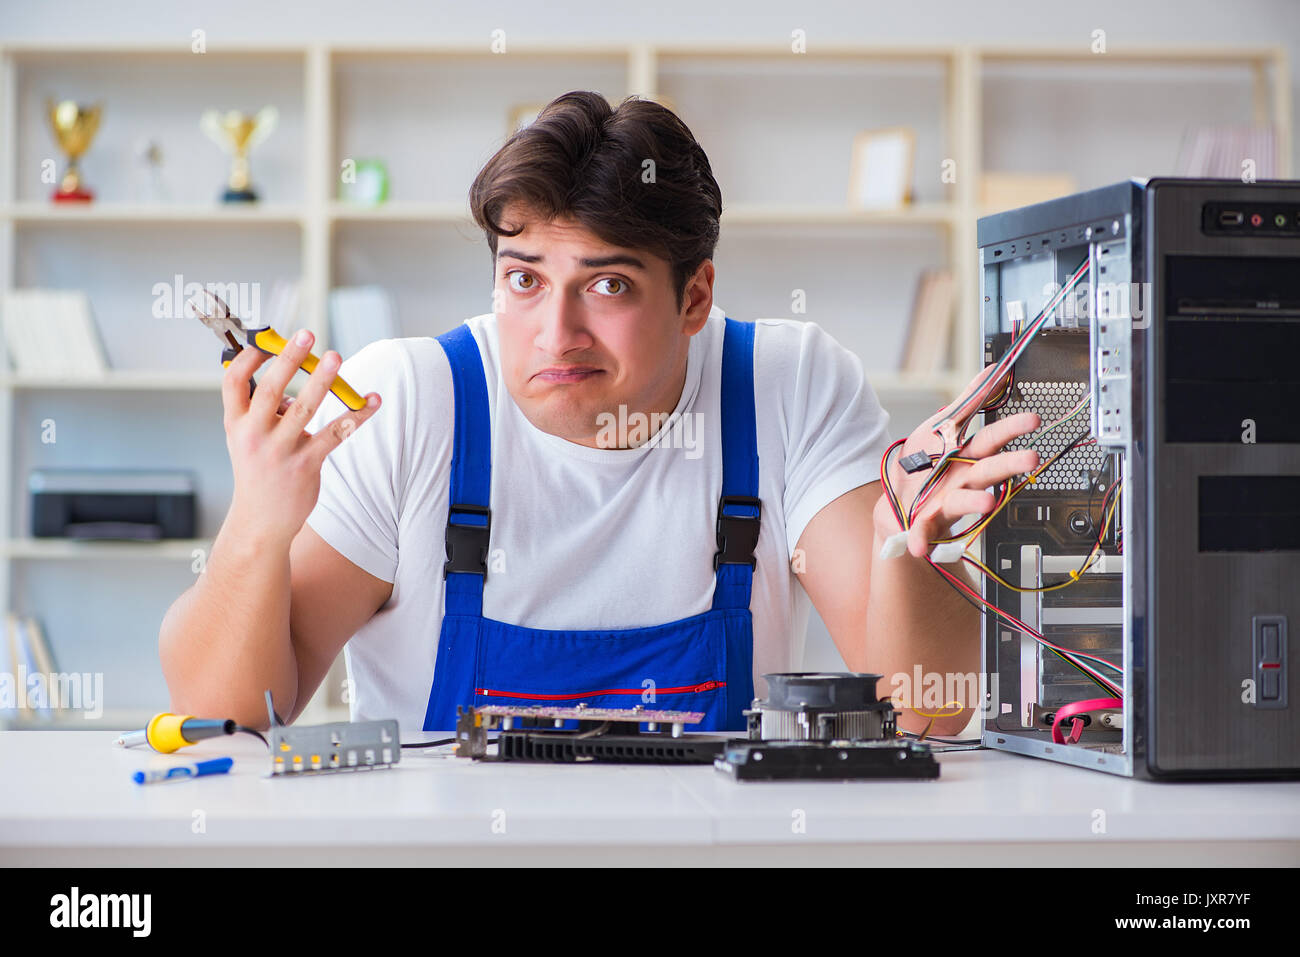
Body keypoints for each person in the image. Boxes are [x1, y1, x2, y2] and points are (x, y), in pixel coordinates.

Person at [159, 91, 1040, 738]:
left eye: (607, 284)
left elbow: (929, 710)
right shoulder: (414, 405)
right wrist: (254, 527)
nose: (556, 332)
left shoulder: (785, 383)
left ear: (694, 296)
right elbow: (228, 718)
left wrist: (906, 544)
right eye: (525, 278)